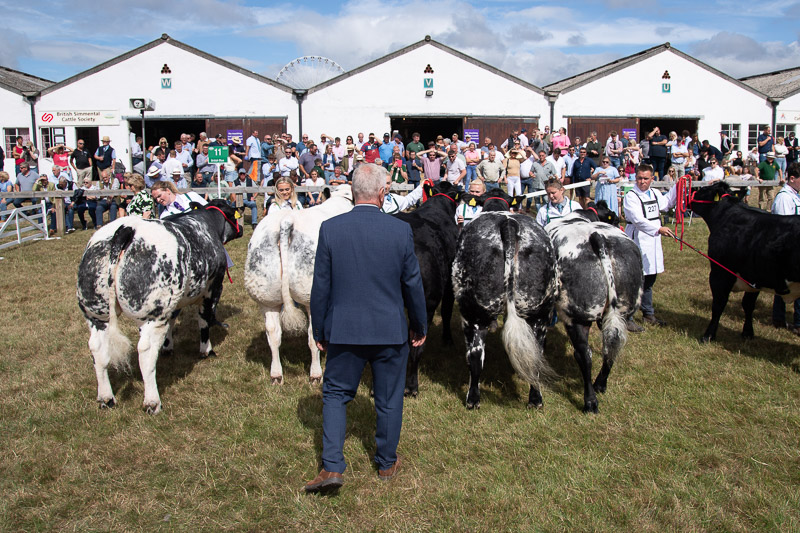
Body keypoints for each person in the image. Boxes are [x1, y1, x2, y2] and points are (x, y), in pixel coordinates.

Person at [305, 163, 427, 493]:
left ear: (352, 191)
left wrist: (319, 331)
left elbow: (321, 287)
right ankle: (386, 464)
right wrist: (419, 324)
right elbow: (413, 284)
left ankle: (332, 466)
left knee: (335, 394)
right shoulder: (400, 230)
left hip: (344, 329)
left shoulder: (330, 229)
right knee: (389, 399)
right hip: (390, 330)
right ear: (383, 192)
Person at [622, 164, 678, 331]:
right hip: (638, 238)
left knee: (650, 277)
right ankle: (628, 317)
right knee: (636, 279)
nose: (642, 182)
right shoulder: (631, 196)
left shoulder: (654, 193)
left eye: (646, 179)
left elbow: (666, 203)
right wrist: (658, 229)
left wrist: (677, 186)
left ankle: (648, 313)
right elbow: (638, 220)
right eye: (639, 178)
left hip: (653, 241)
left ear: (652, 179)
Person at [771, 163, 800, 334]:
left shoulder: (795, 195)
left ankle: (781, 319)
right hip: (788, 248)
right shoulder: (784, 198)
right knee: (786, 286)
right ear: (792, 178)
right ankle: (788, 320)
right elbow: (783, 226)